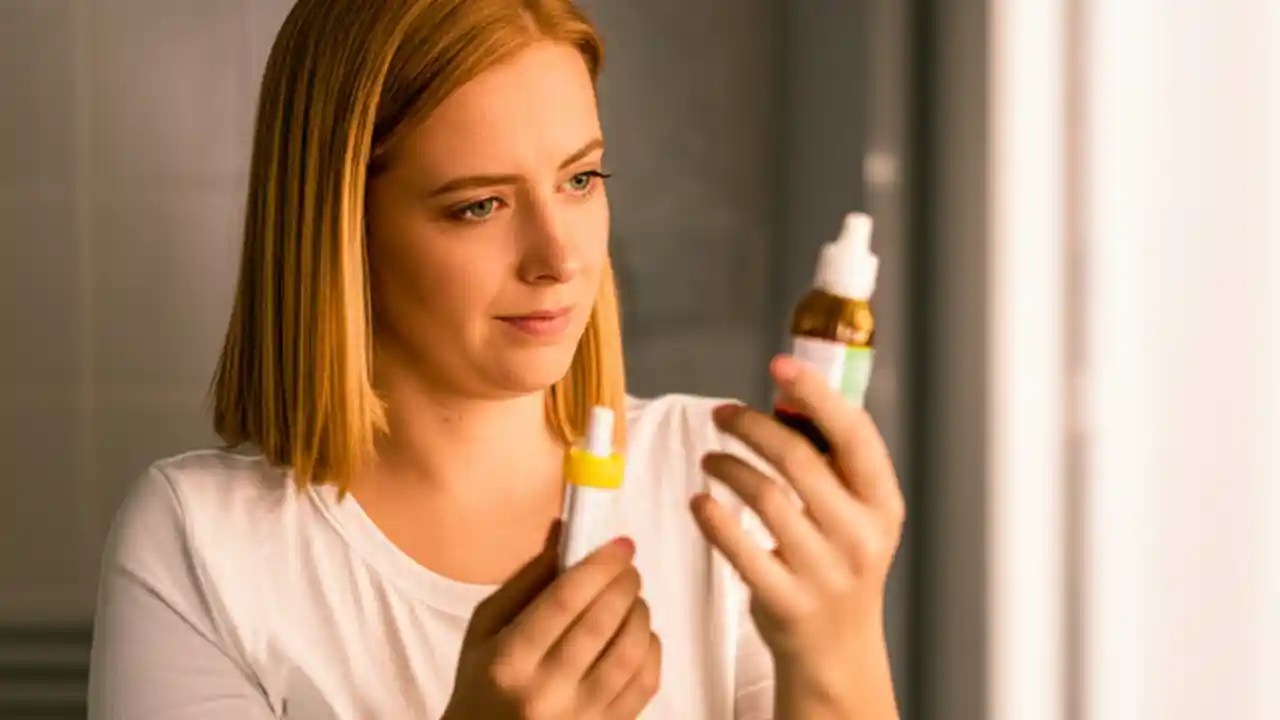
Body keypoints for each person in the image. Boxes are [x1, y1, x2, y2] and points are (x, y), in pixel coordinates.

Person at [85, 1, 905, 718]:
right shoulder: (206, 543)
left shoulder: (724, 491)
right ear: (341, 230)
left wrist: (838, 650)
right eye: (480, 205)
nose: (560, 257)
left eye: (581, 179)